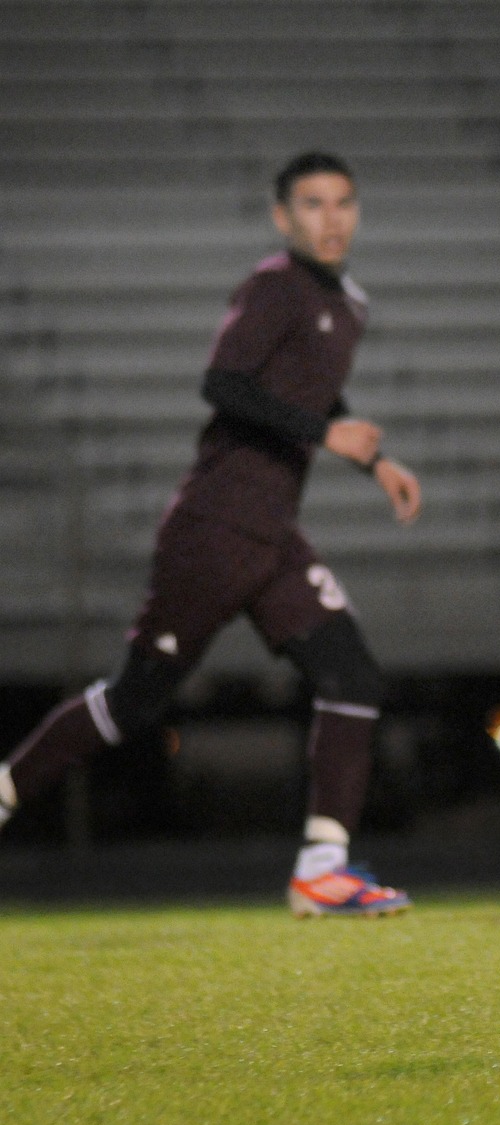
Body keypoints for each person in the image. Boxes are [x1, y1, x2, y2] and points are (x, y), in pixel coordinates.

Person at [0, 152, 421, 917]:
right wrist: (329, 436)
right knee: (134, 700)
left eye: (344, 202)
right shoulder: (273, 286)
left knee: (352, 675)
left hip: (271, 535)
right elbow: (223, 384)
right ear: (282, 215)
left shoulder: (348, 302)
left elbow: (315, 391)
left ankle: (323, 869)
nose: (332, 218)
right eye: (313, 203)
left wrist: (377, 459)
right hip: (216, 528)